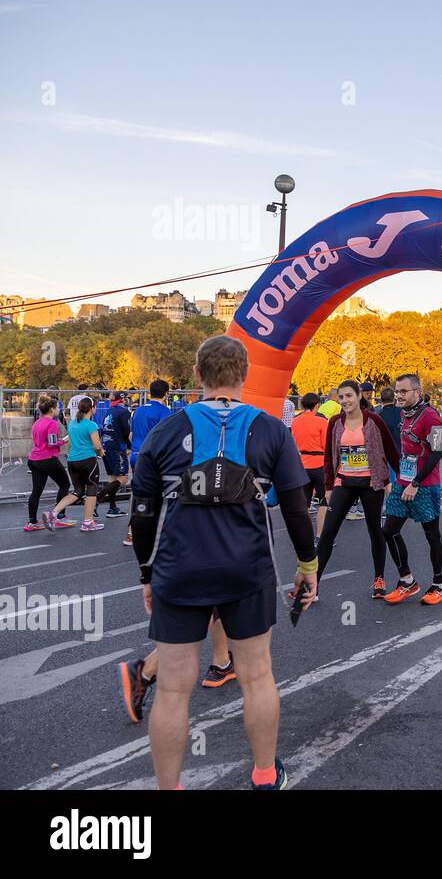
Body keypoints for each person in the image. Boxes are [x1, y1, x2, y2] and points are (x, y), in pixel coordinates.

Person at [127, 334, 317, 788]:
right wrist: (308, 566)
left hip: (179, 568)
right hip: (247, 569)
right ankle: (265, 776)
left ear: (197, 376)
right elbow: (296, 506)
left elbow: (142, 512)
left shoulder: (166, 429)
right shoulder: (271, 428)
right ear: (245, 376)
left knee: (173, 689)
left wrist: (147, 575)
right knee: (257, 676)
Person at [318, 380, 401, 598]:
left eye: (349, 396)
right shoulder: (335, 422)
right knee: (327, 532)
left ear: (358, 397)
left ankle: (379, 580)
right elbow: (328, 457)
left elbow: (391, 450)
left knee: (375, 530)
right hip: (343, 482)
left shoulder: (374, 420)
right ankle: (312, 584)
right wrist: (328, 486)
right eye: (341, 397)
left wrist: (403, 478)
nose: (345, 400)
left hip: (370, 483)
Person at [379, 374, 442, 606]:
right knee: (388, 530)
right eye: (397, 391)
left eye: (403, 392)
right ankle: (407, 581)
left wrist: (416, 483)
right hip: (402, 481)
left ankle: (437, 586)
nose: (399, 395)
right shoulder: (403, 413)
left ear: (417, 393)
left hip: (424, 485)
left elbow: (437, 453)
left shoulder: (432, 417)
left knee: (431, 534)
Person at [123, 380, 173, 547]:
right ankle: (158, 532)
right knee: (160, 494)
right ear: (166, 393)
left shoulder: (138, 411)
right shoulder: (165, 411)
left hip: (137, 455)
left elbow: (131, 435)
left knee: (137, 493)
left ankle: (131, 532)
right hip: (154, 457)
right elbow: (166, 437)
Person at [43, 397, 104, 532]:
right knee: (92, 490)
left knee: (77, 491)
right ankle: (88, 522)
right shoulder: (91, 425)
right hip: (88, 460)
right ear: (92, 408)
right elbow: (96, 445)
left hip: (72, 461)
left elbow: (70, 444)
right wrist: (101, 452)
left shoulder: (72, 424)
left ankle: (53, 513)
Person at [25, 397, 73, 532]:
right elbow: (52, 444)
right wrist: (64, 440)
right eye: (58, 407)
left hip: (34, 459)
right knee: (65, 485)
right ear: (51, 409)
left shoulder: (37, 422)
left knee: (36, 491)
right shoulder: (52, 423)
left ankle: (32, 522)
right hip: (47, 459)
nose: (59, 409)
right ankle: (60, 516)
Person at [290, 392, 330, 539]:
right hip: (319, 464)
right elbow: (326, 445)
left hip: (302, 465)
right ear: (317, 405)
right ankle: (320, 535)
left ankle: (305, 536)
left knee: (304, 503)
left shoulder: (295, 421)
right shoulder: (321, 421)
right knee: (324, 501)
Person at [98, 391, 133, 519]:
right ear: (122, 400)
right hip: (117, 446)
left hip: (107, 445)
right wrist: (129, 446)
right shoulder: (124, 412)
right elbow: (126, 430)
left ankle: (112, 507)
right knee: (123, 478)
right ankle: (97, 498)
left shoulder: (109, 410)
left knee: (113, 478)